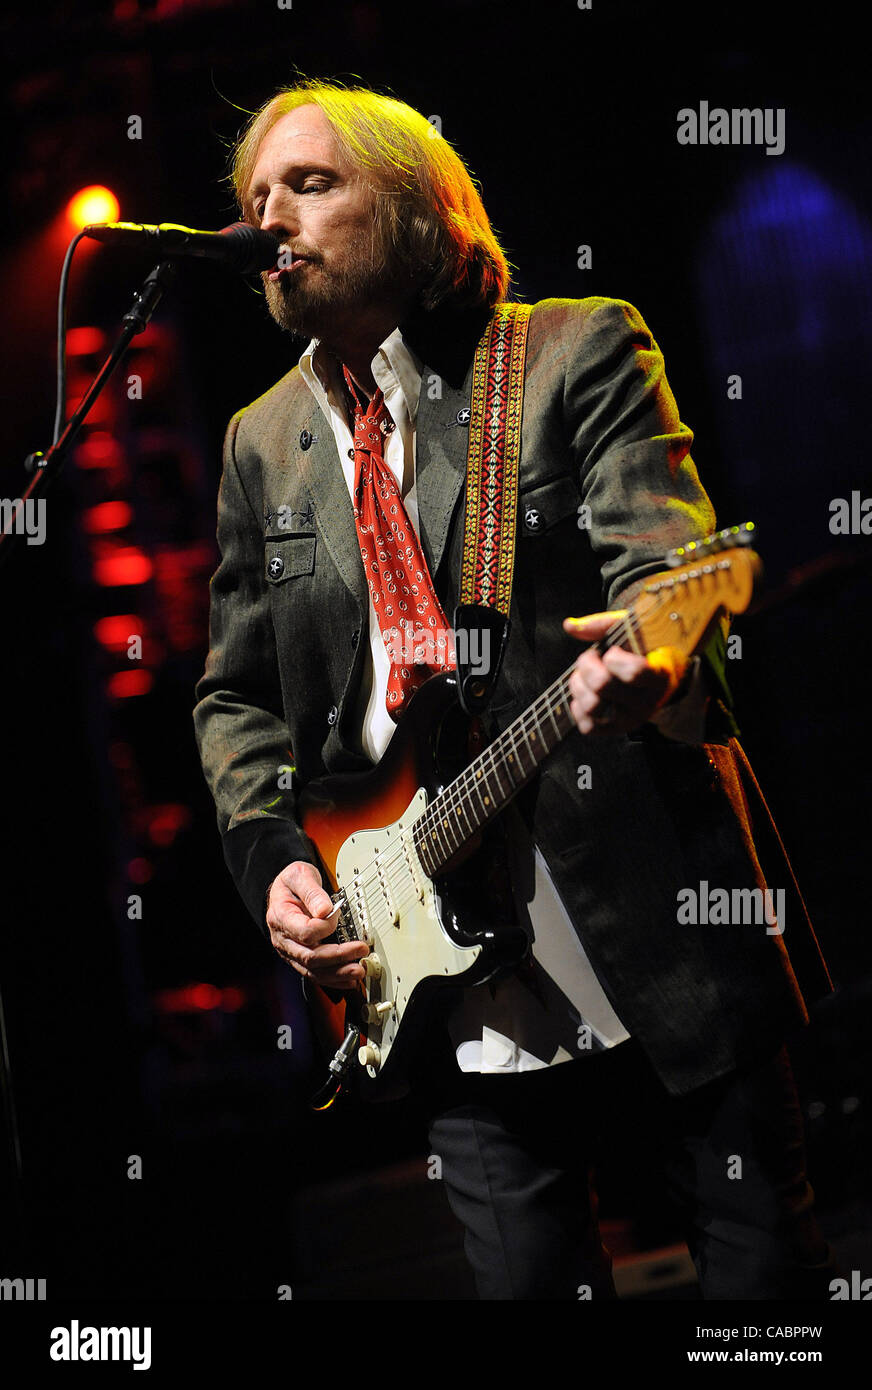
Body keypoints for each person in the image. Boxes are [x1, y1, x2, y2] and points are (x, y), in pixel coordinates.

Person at [193, 80, 835, 1300]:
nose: (270, 216)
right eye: (252, 198)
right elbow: (235, 698)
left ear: (414, 208)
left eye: (310, 185)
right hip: (424, 958)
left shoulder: (569, 350)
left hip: (650, 913)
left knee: (766, 1298)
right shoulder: (257, 439)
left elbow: (661, 574)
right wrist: (272, 851)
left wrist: (654, 667)